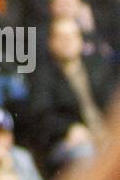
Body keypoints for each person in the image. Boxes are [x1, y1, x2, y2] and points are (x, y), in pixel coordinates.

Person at [29, 15, 119, 170]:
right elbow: (41, 114)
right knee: (85, 153)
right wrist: (69, 129)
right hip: (69, 142)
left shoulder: (97, 67)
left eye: (72, 36)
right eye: (62, 37)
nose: (68, 41)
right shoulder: (42, 76)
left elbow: (113, 101)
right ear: (51, 42)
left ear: (80, 40)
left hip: (107, 136)